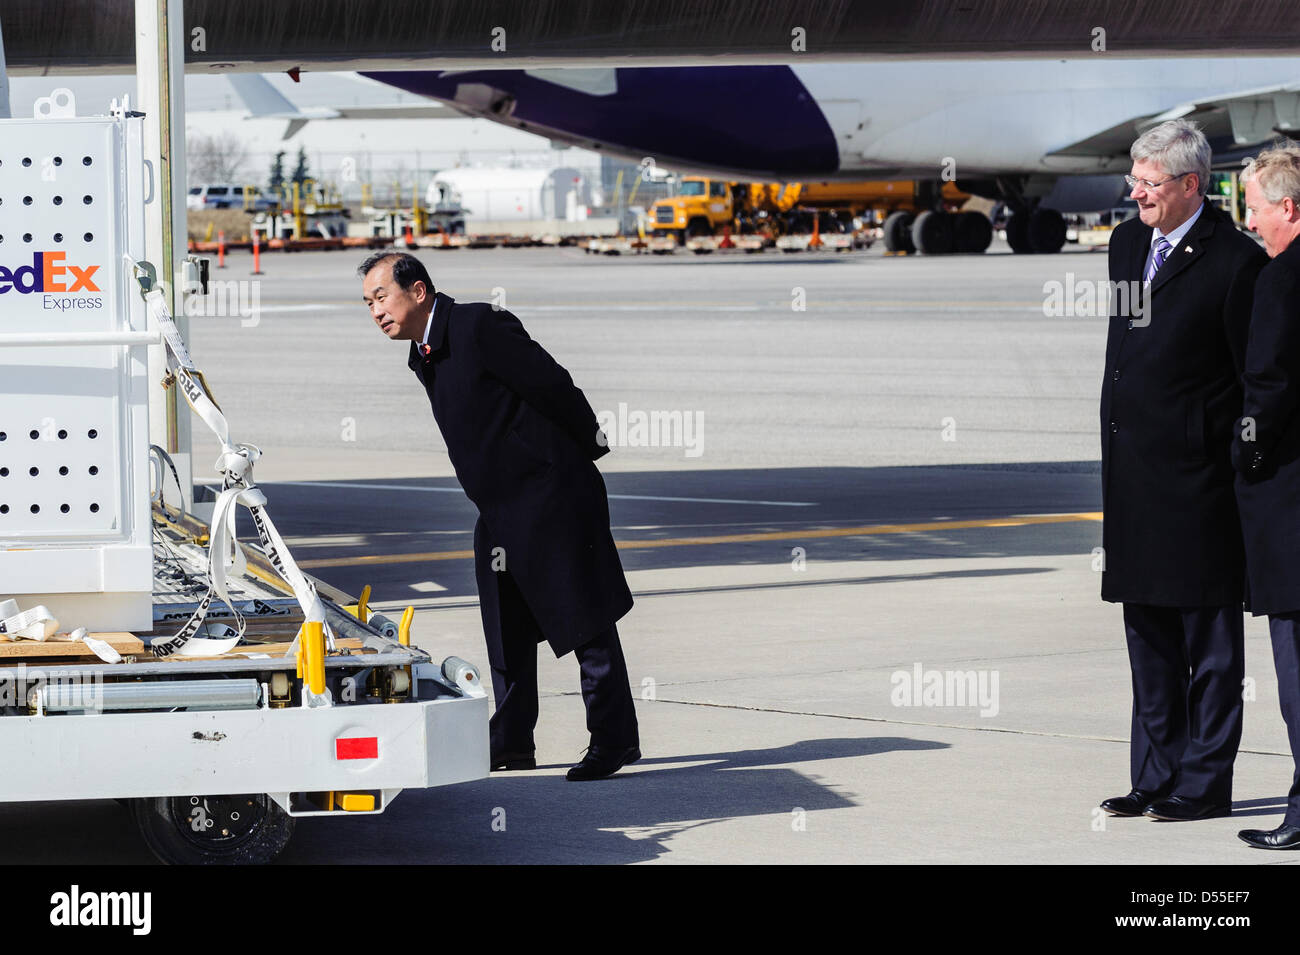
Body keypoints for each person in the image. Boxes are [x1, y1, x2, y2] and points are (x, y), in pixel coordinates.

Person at [358, 250, 641, 781]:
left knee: (584, 617)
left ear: (418, 291)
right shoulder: (424, 353)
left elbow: (552, 384)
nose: (375, 311)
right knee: (505, 627)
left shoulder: (478, 326)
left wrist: (582, 455)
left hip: (551, 495)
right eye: (367, 302)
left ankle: (613, 739)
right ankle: (512, 741)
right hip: (500, 509)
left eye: (381, 296)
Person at [1098, 120, 1267, 821]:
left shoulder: (1235, 263)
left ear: (1191, 185)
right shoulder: (1128, 243)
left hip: (1199, 486)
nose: (1136, 194)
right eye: (1134, 180)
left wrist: (1225, 452)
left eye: (1150, 183)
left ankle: (1203, 782)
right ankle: (1155, 772)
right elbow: (1129, 341)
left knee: (1211, 647)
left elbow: (1252, 376)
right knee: (1150, 637)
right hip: (1134, 475)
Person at [1230, 145, 1300, 848]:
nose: (1251, 224)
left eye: (1254, 209)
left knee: (1296, 668)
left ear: (1288, 209)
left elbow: (1269, 385)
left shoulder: (1281, 281)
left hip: (1291, 510)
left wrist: (1244, 451)